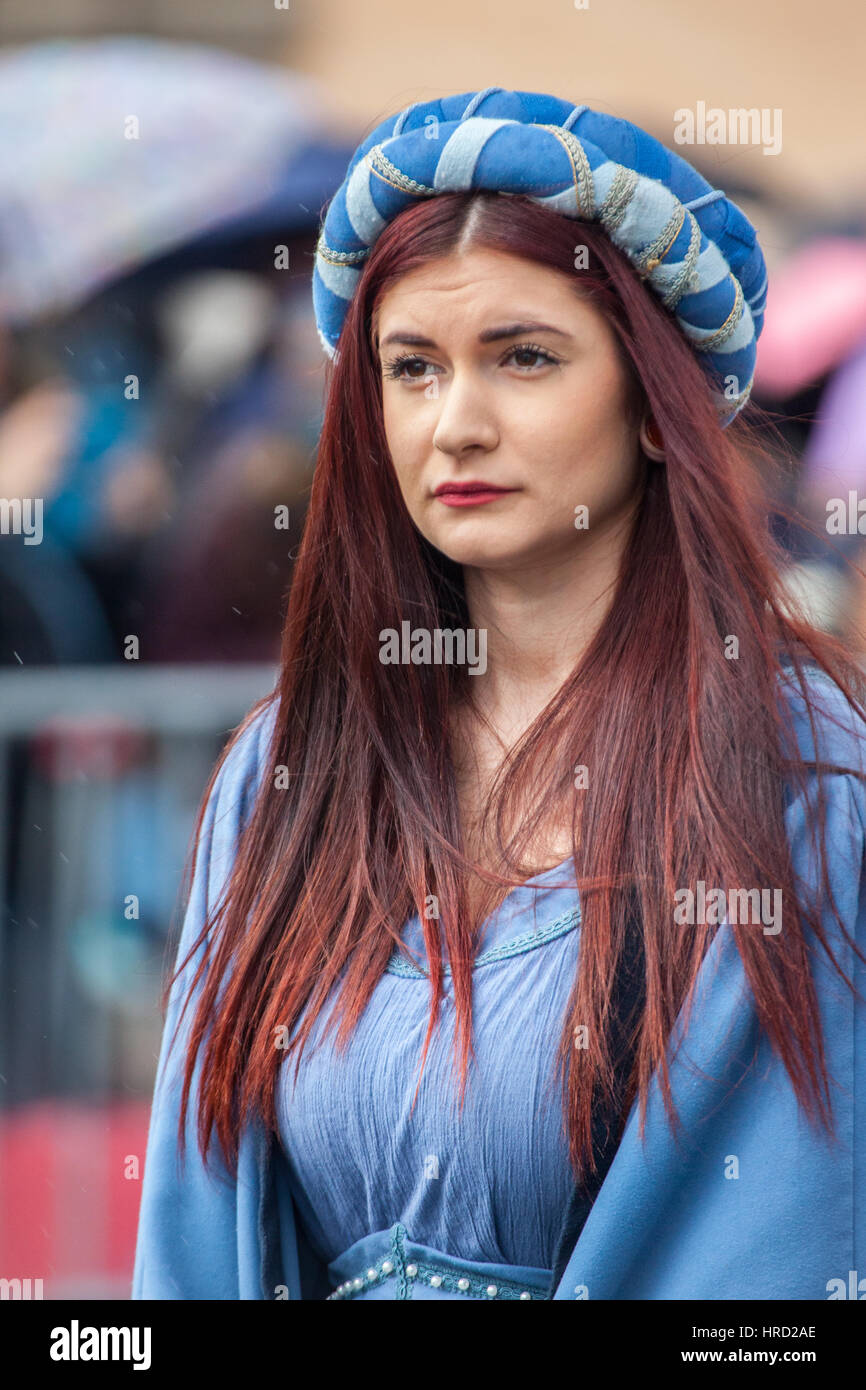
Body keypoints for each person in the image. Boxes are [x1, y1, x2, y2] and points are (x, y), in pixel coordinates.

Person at [132, 88, 866, 1301]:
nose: (455, 425)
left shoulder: (796, 778)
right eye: (410, 369)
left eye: (523, 358)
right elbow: (194, 1241)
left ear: (649, 401)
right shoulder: (286, 770)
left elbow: (768, 1274)